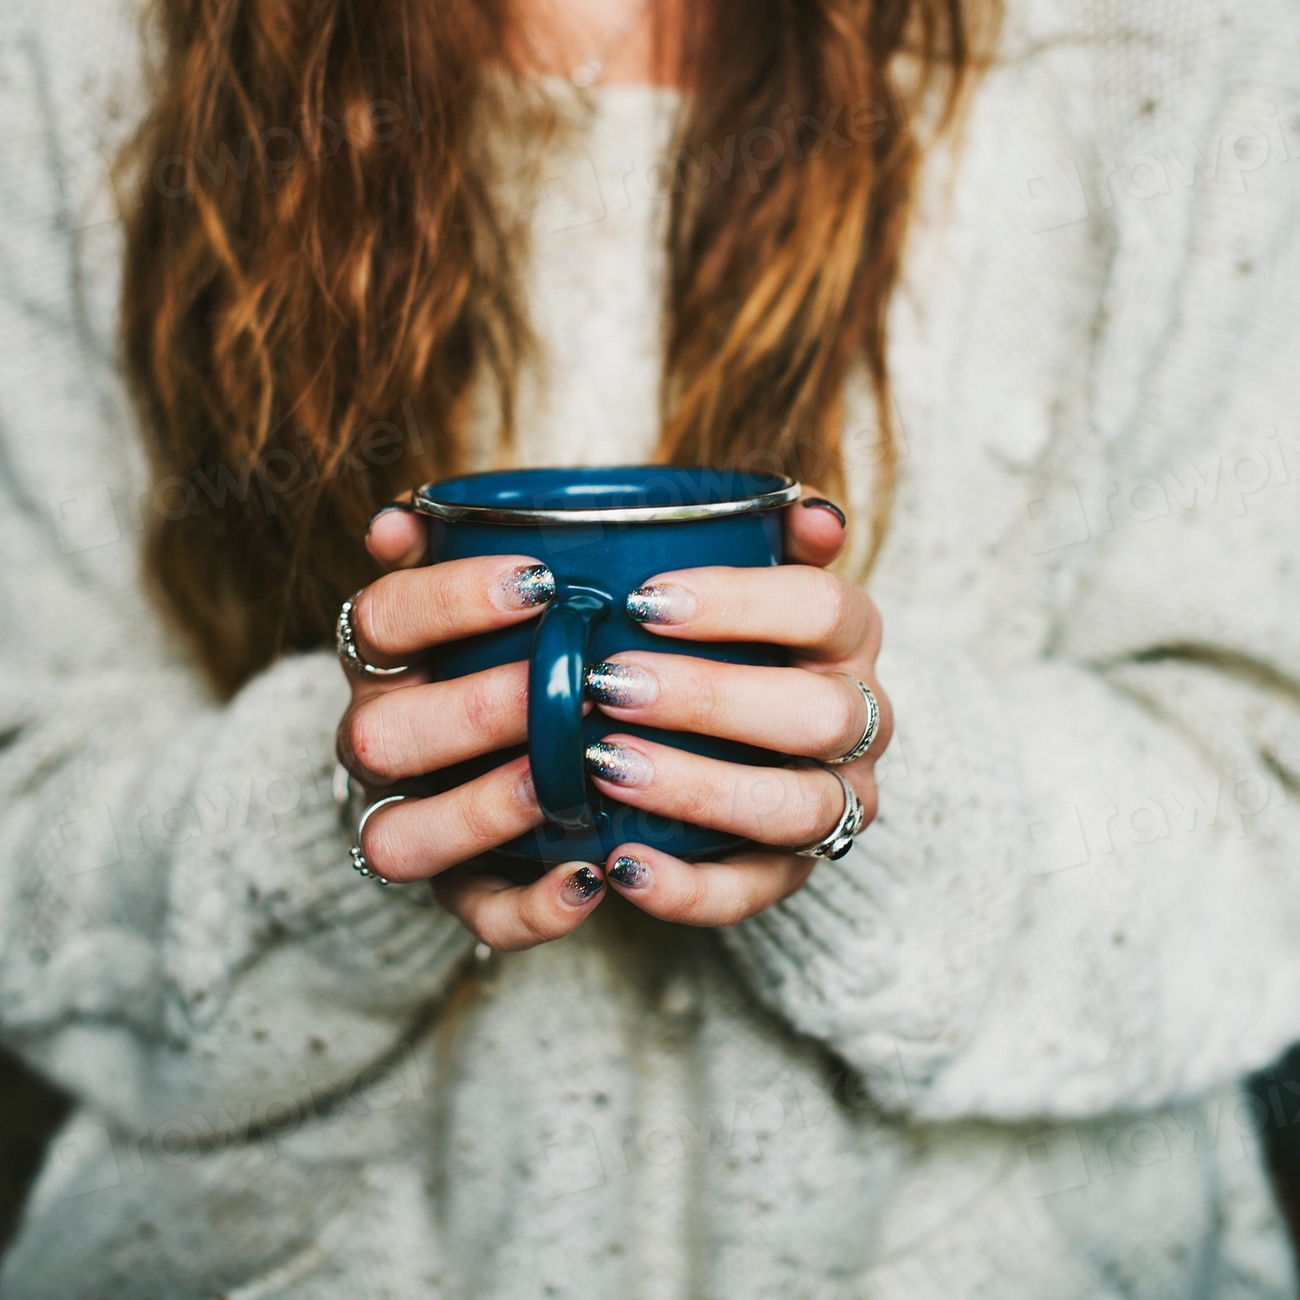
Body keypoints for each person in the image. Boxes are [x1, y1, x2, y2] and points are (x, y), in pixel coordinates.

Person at [1, 0, 1299, 1294]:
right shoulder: (83, 56)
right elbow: (28, 825)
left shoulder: (1172, 52)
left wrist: (864, 811)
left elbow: (1267, 812)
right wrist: (348, 799)